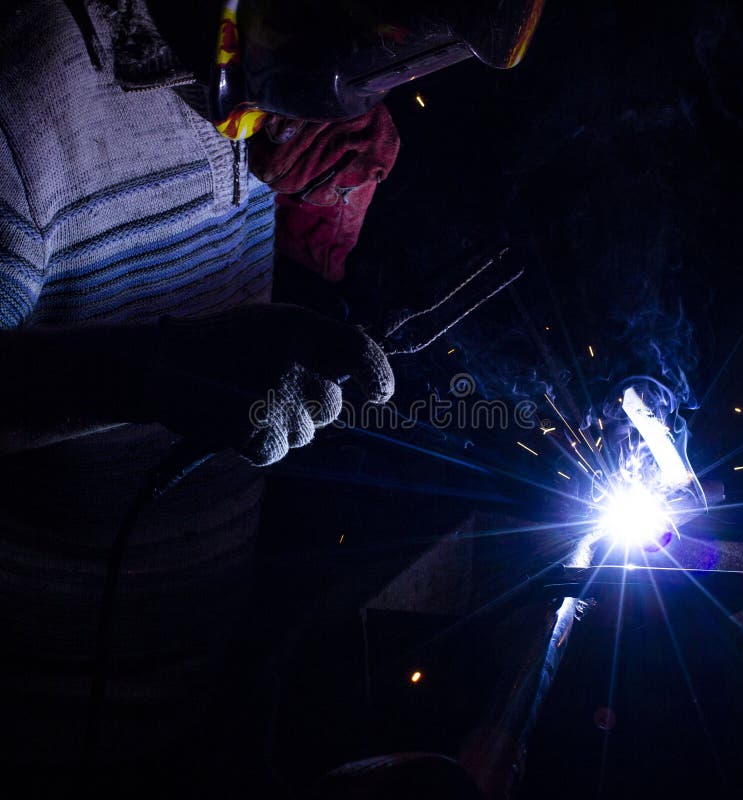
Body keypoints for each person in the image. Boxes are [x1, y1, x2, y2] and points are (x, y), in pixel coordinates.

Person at [0, 0, 544, 794]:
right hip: (37, 731)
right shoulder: (26, 88)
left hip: (212, 689)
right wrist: (152, 372)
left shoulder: (257, 71)